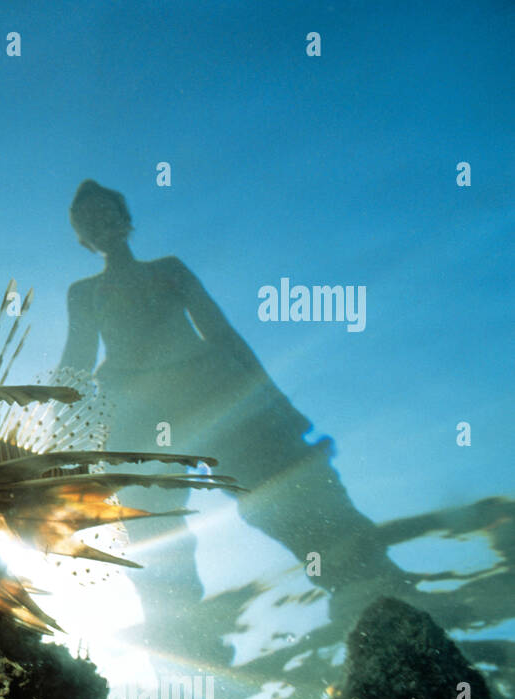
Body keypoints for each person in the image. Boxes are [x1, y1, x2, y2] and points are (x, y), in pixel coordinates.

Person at [60, 179, 427, 663]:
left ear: (125, 217)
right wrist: (52, 436)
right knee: (150, 528)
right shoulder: (84, 293)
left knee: (282, 495)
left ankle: (375, 593)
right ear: (83, 239)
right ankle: (185, 648)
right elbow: (77, 361)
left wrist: (277, 405)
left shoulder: (169, 269)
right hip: (136, 409)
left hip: (211, 388)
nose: (99, 224)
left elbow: (225, 335)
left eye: (105, 212)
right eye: (87, 221)